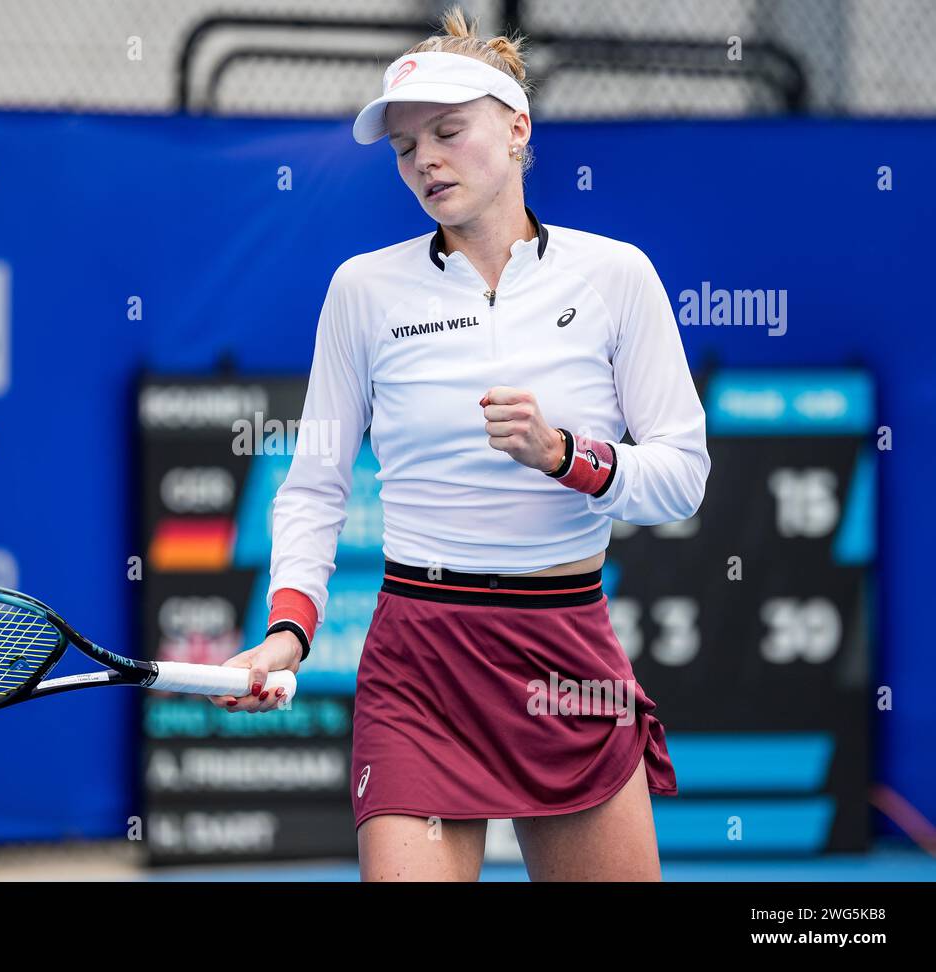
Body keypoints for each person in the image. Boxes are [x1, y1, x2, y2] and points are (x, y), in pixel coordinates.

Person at [209, 6, 709, 881]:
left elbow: (683, 476)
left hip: (566, 652)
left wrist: (567, 454)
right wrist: (289, 630)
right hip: (421, 665)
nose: (425, 161)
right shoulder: (362, 290)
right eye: (405, 148)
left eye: (448, 131)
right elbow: (315, 484)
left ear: (517, 128)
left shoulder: (617, 275)